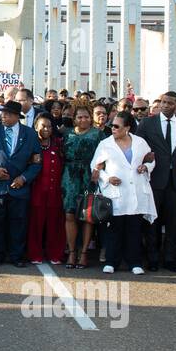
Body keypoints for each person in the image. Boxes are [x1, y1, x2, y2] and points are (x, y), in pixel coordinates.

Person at [91, 110, 156, 275]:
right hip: (115, 193)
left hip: (136, 192)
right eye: (112, 125)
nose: (112, 128)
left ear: (127, 127)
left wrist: (146, 167)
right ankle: (112, 261)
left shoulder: (140, 142)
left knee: (134, 229)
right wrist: (107, 178)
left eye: (116, 126)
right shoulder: (105, 144)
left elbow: (151, 160)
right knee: (114, 230)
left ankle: (135, 262)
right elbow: (95, 166)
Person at [0, 100, 42, 267]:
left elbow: (36, 162)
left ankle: (17, 256)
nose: (2, 116)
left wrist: (24, 178)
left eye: (6, 113)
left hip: (19, 187)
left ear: (16, 116)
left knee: (18, 223)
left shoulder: (30, 134)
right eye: (2, 113)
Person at [136, 91, 176, 272]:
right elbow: (138, 148)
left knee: (173, 222)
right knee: (152, 221)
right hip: (153, 179)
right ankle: (152, 258)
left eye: (170, 103)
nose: (166, 106)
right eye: (163, 103)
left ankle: (169, 258)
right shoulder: (147, 123)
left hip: (175, 181)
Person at [61, 105, 103, 269]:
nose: (83, 120)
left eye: (86, 117)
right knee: (70, 214)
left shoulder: (98, 134)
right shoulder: (67, 133)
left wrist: (98, 169)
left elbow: (105, 155)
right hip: (69, 176)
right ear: (74, 119)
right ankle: (72, 252)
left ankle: (84, 253)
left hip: (89, 175)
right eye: (80, 117)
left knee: (87, 215)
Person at [26, 113, 66, 264]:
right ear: (36, 126)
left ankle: (55, 253)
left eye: (49, 126)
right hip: (36, 190)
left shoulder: (58, 143)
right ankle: (35, 253)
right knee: (36, 224)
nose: (46, 129)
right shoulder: (30, 144)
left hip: (55, 191)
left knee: (54, 224)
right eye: (43, 126)